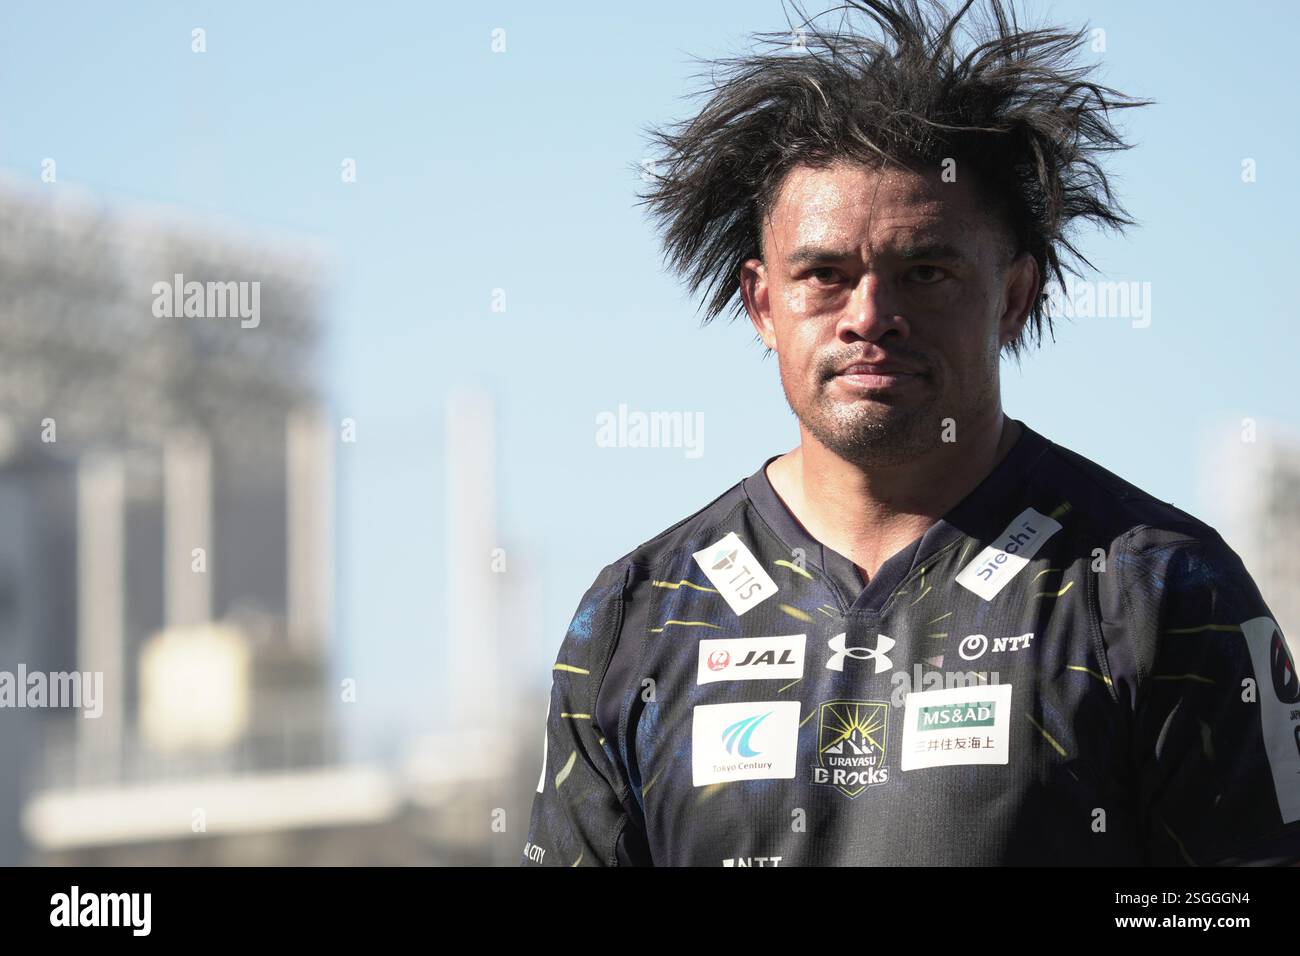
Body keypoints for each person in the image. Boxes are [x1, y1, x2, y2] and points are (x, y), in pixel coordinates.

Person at [521, 0, 1300, 866]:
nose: (871, 317)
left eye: (924, 271)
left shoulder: (1156, 590)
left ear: (1013, 296)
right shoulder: (637, 615)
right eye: (824, 275)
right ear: (763, 303)